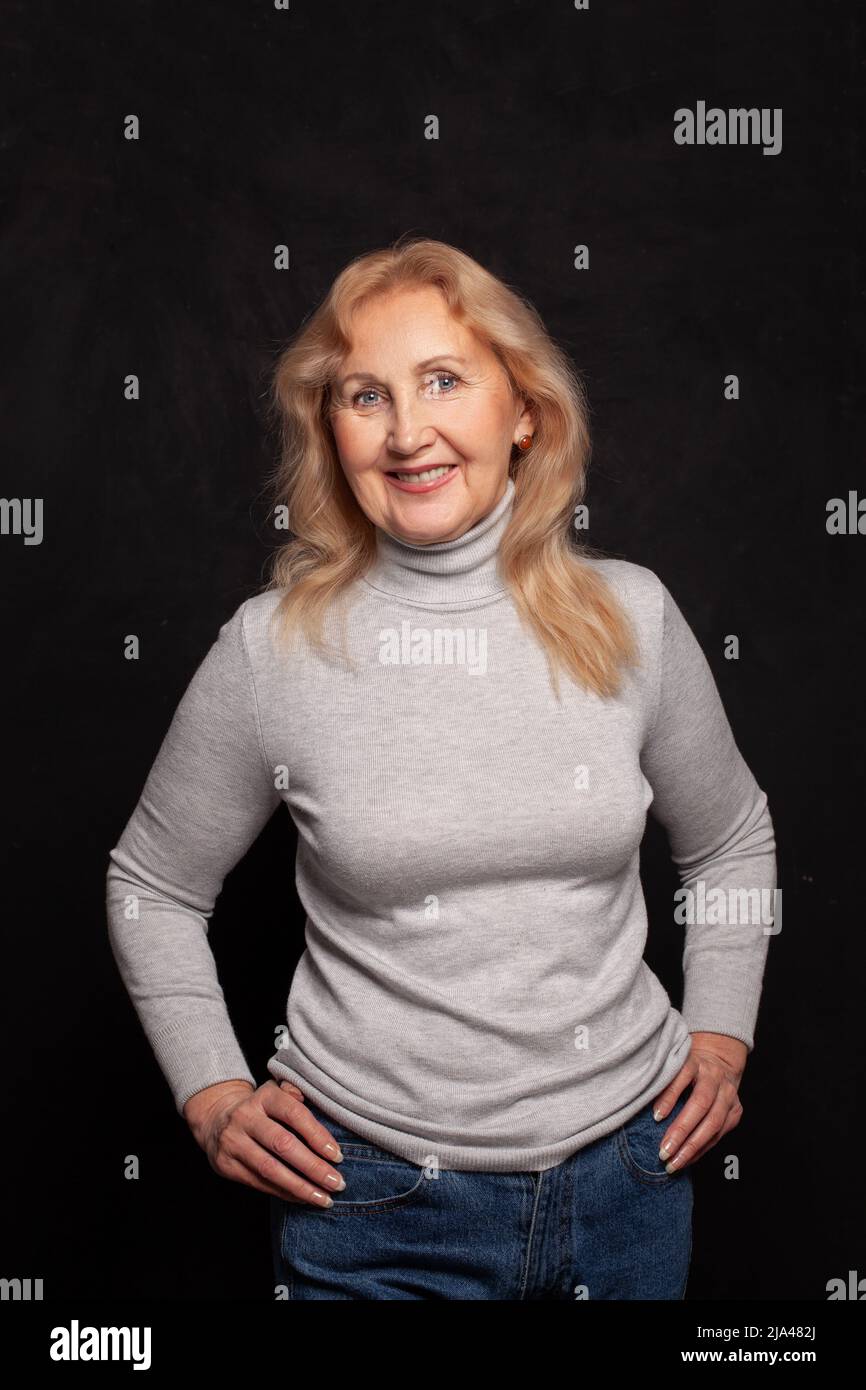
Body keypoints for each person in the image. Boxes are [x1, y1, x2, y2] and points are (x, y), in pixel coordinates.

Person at [106, 236, 777, 1300]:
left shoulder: (631, 617)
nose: (407, 431)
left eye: (442, 381)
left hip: (628, 1186)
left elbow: (731, 838)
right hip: (370, 1202)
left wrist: (722, 1037)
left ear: (523, 412)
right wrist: (212, 1093)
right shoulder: (270, 649)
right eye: (364, 395)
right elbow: (152, 885)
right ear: (331, 431)